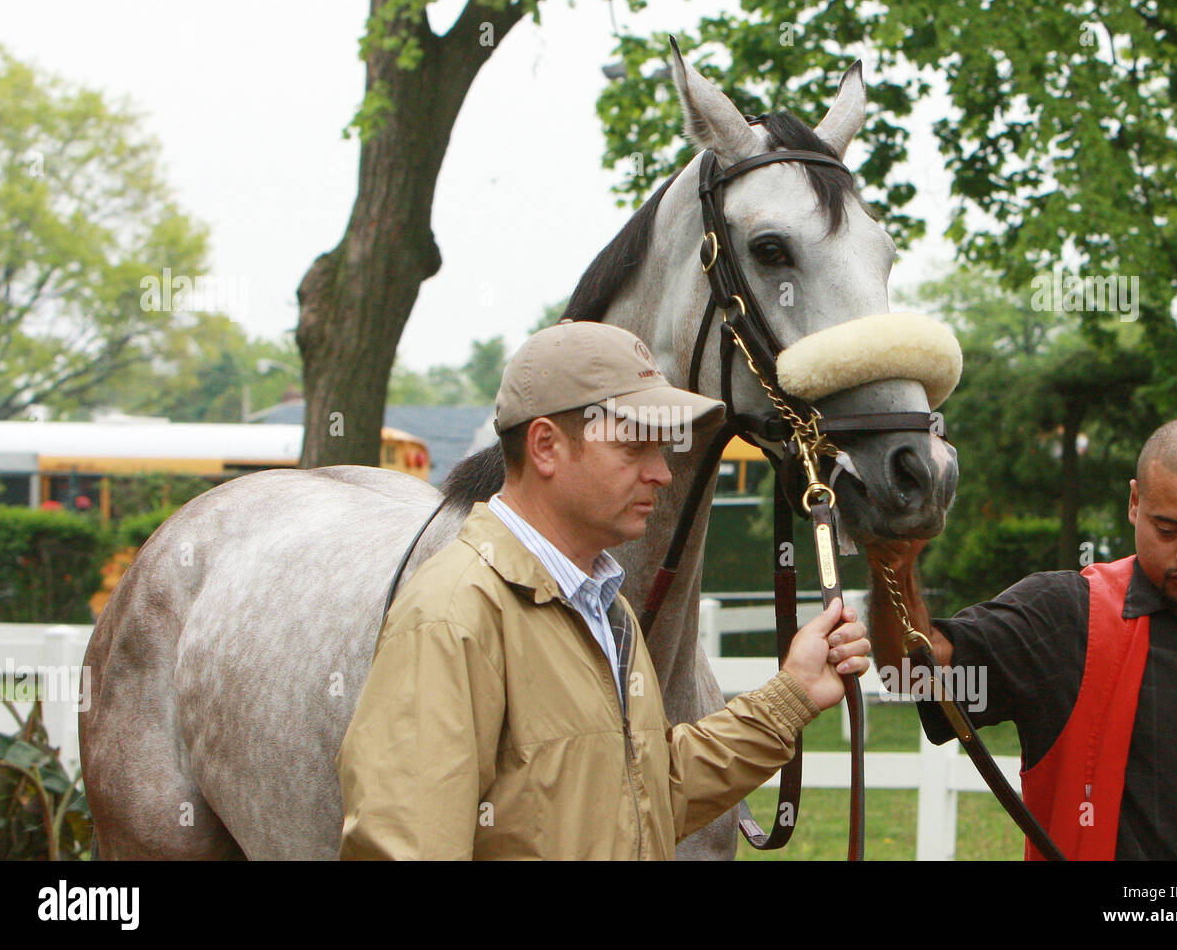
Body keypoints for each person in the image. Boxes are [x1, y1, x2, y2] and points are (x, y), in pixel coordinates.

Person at [336, 320, 871, 860]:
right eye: (635, 447)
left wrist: (791, 696)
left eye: (661, 449)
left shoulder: (602, 605)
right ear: (545, 446)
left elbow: (645, 799)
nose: (662, 473)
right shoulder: (452, 615)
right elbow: (407, 845)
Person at [852, 415, 1177, 860]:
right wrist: (895, 567)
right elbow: (911, 673)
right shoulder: (1065, 616)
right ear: (1135, 503)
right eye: (1167, 530)